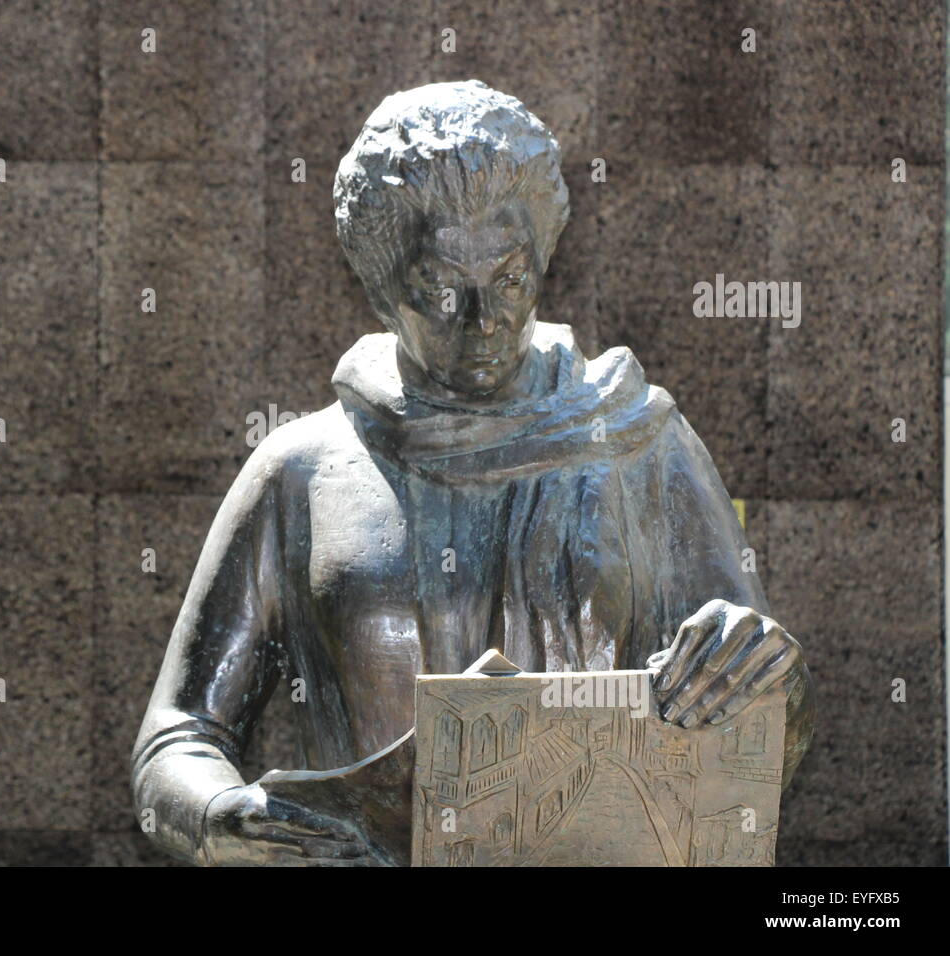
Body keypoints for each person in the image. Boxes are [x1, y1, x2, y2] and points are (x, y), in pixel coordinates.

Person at [131, 80, 814, 866]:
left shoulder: (639, 444)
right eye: (441, 291)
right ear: (384, 287)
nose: (482, 319)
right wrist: (221, 817)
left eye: (511, 282)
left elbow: (771, 737)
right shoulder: (301, 471)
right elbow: (177, 734)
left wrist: (758, 669)